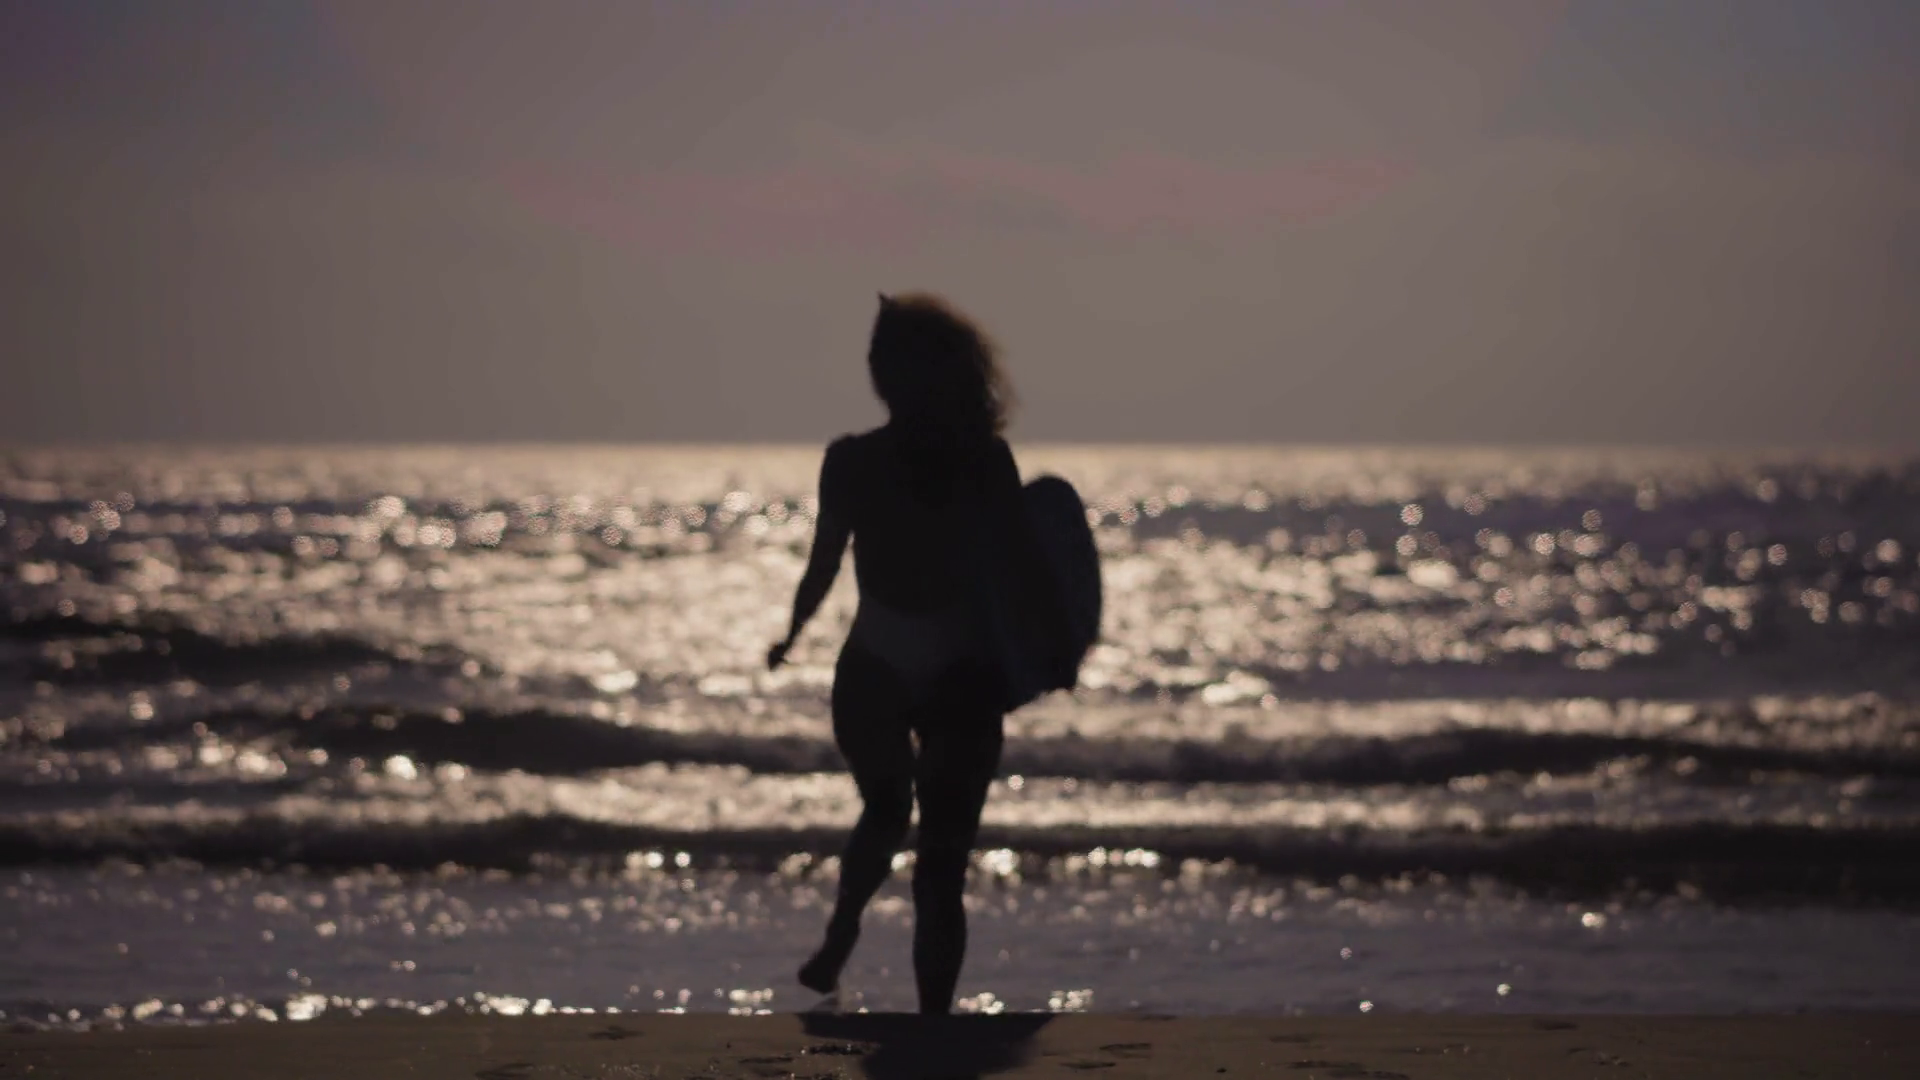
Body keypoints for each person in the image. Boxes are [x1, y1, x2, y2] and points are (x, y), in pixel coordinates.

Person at [766, 291, 1059, 1015]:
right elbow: (825, 560)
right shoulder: (851, 460)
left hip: (959, 670)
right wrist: (794, 632)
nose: (874, 368)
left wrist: (1051, 646)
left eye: (887, 355)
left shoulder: (983, 461)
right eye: (874, 355)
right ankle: (844, 932)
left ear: (927, 368)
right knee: (890, 810)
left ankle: (931, 1015)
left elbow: (1021, 565)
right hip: (879, 663)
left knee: (940, 859)